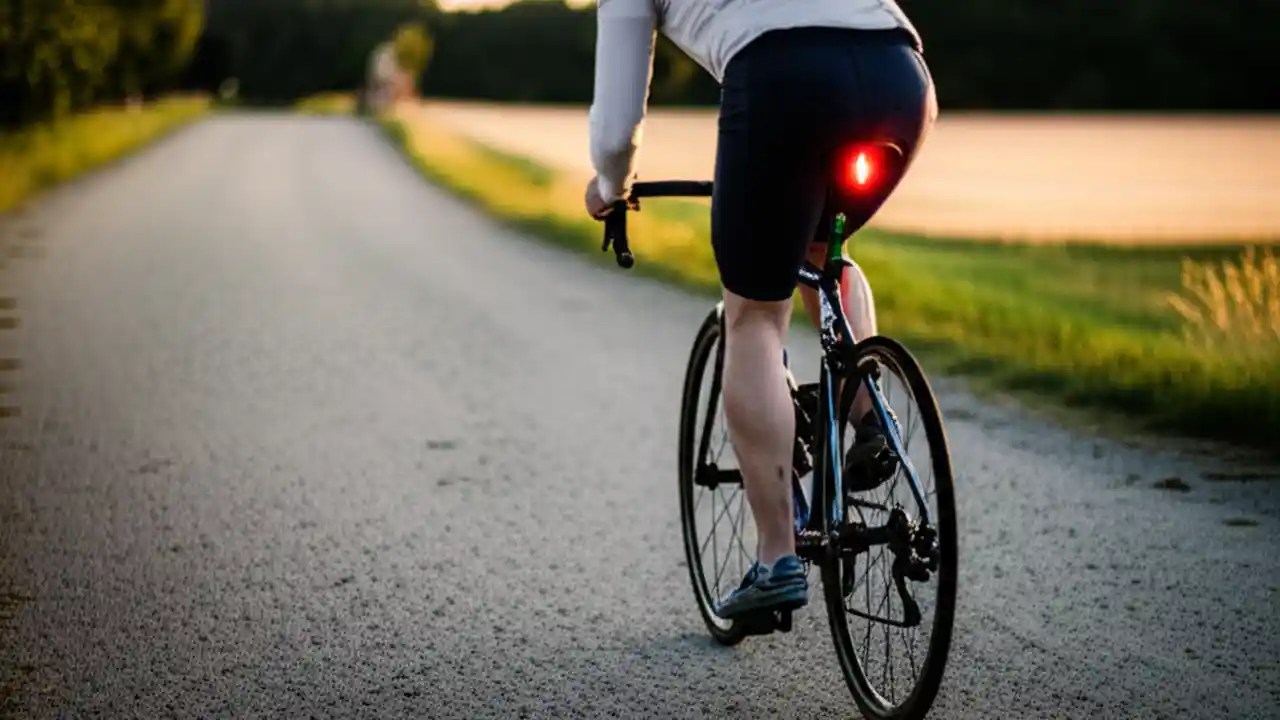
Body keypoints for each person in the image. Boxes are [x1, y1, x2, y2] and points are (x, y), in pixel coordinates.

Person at [583, 0, 937, 618]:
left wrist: (610, 188)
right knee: (822, 251)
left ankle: (777, 558)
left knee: (753, 315)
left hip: (783, 79)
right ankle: (868, 413)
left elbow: (616, 132)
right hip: (898, 72)